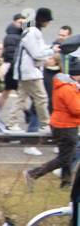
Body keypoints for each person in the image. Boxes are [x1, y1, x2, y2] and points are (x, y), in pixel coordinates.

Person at [24, 56, 80, 191]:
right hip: (65, 126)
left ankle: (65, 183)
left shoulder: (69, 86)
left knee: (67, 155)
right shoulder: (68, 89)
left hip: (64, 124)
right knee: (65, 158)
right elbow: (76, 109)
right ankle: (33, 173)